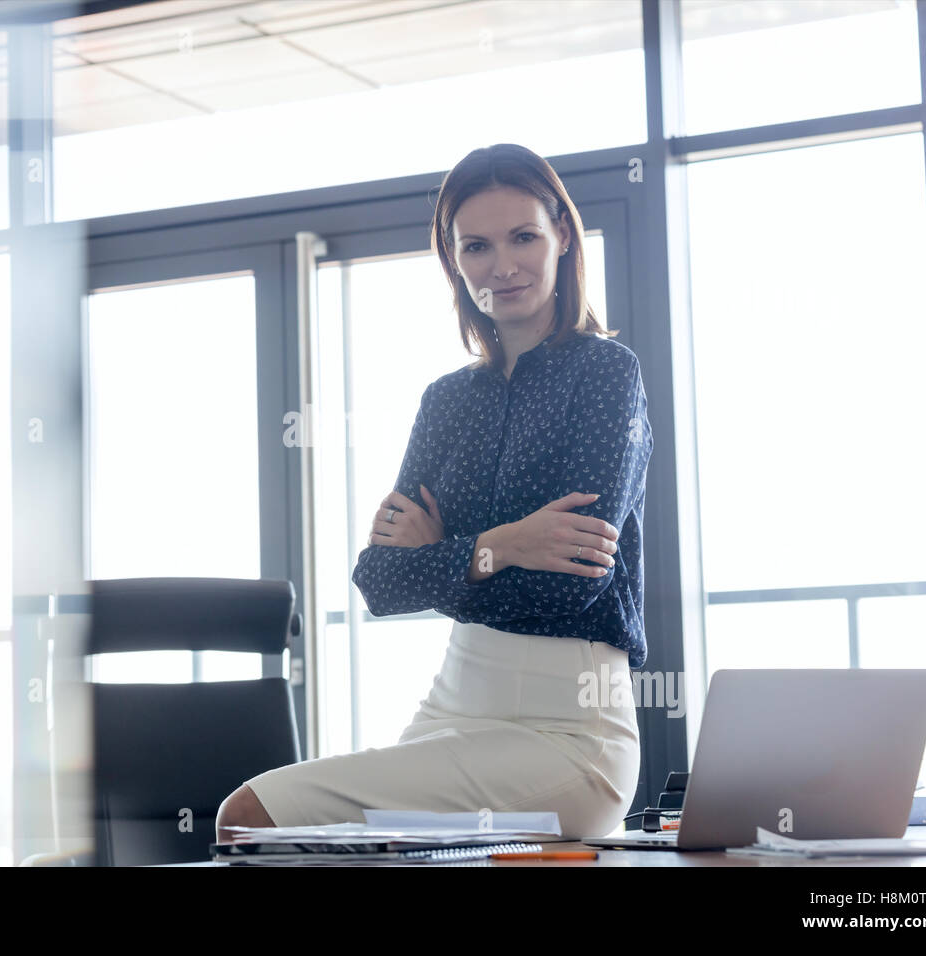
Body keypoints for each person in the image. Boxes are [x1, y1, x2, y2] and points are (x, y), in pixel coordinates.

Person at [216, 143, 652, 843]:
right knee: (311, 843)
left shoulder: (605, 374)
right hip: (452, 704)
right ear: (453, 259)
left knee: (249, 818)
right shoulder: (447, 401)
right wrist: (502, 546)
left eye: (523, 237)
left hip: (571, 732)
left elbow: (568, 591)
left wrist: (443, 556)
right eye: (476, 246)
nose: (501, 266)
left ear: (562, 237)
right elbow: (381, 581)